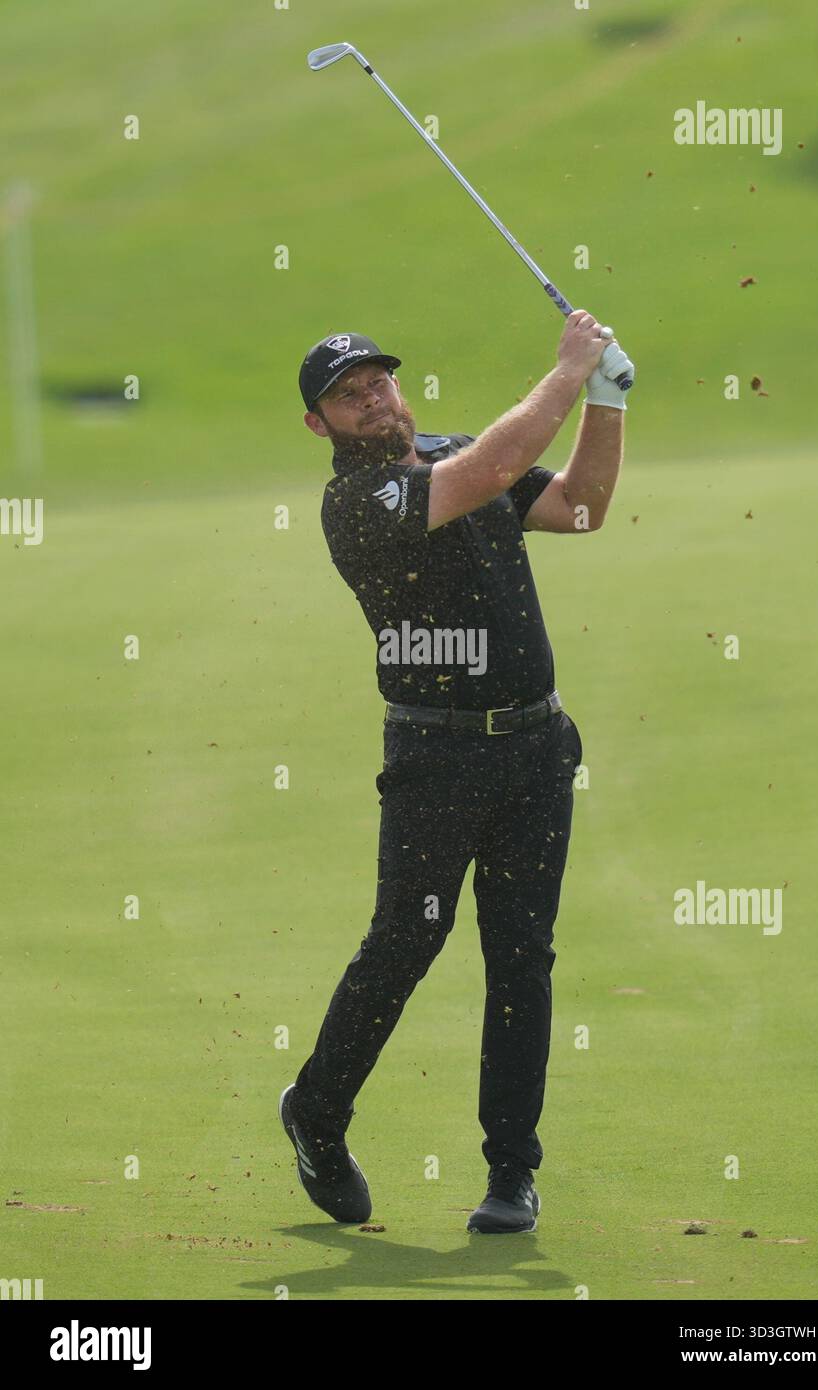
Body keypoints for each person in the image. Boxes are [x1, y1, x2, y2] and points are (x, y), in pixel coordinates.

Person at [280, 312, 633, 1233]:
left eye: (379, 382)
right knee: (407, 943)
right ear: (320, 425)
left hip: (534, 749)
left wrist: (606, 397)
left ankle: (511, 1172)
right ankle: (315, 1113)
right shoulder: (357, 501)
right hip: (435, 758)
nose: (372, 398)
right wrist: (566, 370)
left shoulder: (456, 451)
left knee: (522, 956)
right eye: (347, 396)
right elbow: (486, 477)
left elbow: (583, 509)